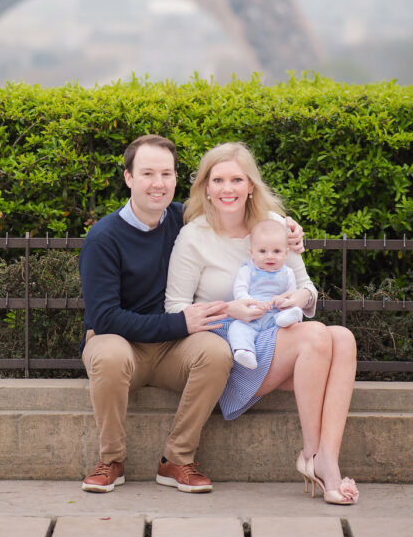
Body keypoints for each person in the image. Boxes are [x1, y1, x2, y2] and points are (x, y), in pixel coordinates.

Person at [79, 134, 305, 494]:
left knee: (216, 351)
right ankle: (111, 460)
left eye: (166, 174)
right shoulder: (103, 238)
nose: (158, 183)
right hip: (121, 343)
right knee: (108, 353)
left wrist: (287, 227)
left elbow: (235, 210)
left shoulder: (181, 218)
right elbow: (105, 318)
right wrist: (179, 322)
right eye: (148, 173)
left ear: (175, 179)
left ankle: (176, 460)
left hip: (172, 347)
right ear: (129, 178)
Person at [165, 142, 359, 505]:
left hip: (279, 334)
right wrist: (231, 309)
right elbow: (175, 307)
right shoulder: (194, 235)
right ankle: (312, 455)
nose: (227, 189)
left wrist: (301, 297)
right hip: (233, 346)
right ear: (205, 186)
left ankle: (326, 460)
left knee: (344, 338)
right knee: (316, 336)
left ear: (251, 185)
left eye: (237, 179)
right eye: (218, 180)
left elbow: (306, 288)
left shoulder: (275, 226)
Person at [228, 218, 303, 370]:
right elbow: (239, 291)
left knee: (292, 313)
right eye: (263, 251)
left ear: (286, 253)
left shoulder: (287, 272)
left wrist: (283, 301)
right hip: (252, 315)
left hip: (277, 314)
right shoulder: (248, 270)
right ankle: (245, 351)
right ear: (252, 252)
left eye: (276, 251)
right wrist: (252, 304)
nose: (270, 256)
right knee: (237, 328)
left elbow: (291, 294)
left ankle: (288, 318)